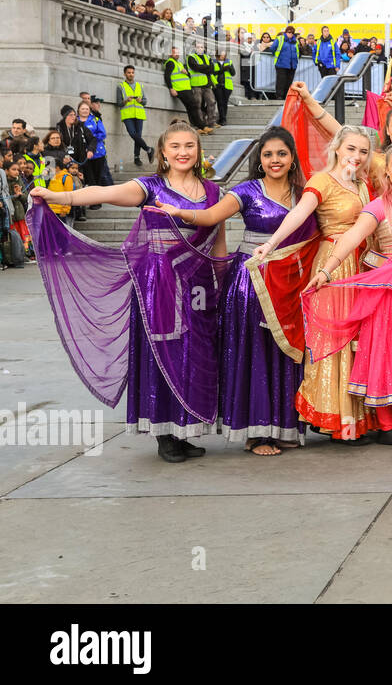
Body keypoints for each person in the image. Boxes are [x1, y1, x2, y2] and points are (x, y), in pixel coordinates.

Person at [29, 121, 228, 462]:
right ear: (163, 152)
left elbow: (219, 244)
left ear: (198, 152)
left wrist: (221, 283)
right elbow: (102, 193)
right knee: (161, 351)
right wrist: (58, 196)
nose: (183, 152)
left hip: (196, 283)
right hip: (158, 283)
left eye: (189, 146)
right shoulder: (149, 187)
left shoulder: (214, 193)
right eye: (175, 146)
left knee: (193, 352)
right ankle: (164, 433)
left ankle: (182, 427)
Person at [156, 127, 311, 455]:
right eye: (267, 154)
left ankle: (283, 426)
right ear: (259, 160)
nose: (274, 160)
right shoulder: (247, 191)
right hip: (251, 283)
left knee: (285, 353)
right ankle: (255, 432)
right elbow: (211, 216)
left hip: (289, 284)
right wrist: (180, 212)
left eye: (281, 153)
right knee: (255, 354)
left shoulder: (304, 194)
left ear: (292, 157)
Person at [302, 142, 392, 447]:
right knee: (389, 355)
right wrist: (327, 270)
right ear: (387, 171)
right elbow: (352, 237)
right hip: (389, 294)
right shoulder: (378, 206)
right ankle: (387, 425)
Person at [248, 126, 379, 443]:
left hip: (358, 265)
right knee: (332, 341)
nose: (357, 156)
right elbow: (299, 212)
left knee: (354, 343)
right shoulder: (322, 180)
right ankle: (333, 417)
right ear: (336, 147)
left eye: (363, 151)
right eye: (351, 149)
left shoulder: (361, 184)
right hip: (330, 266)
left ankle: (353, 418)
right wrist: (272, 243)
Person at [117, 65, 153, 166]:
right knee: (133, 134)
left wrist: (141, 101)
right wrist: (126, 100)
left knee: (138, 136)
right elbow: (119, 103)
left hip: (139, 115)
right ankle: (148, 149)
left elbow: (145, 101)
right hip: (127, 115)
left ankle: (136, 158)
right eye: (129, 73)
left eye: (132, 72)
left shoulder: (140, 86)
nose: (131, 74)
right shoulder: (120, 86)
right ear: (125, 74)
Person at [165, 46, 203, 128]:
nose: (177, 54)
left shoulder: (179, 63)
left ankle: (196, 126)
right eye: (174, 53)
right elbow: (167, 76)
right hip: (180, 89)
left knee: (191, 107)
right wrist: (171, 88)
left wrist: (186, 73)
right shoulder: (170, 63)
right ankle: (201, 126)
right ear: (170, 54)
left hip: (186, 89)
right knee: (193, 105)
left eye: (178, 53)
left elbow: (188, 76)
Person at [76, 101, 109, 188]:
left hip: (97, 153)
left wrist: (90, 140)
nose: (85, 110)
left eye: (87, 109)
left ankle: (97, 201)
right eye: (82, 108)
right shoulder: (75, 121)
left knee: (97, 179)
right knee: (88, 179)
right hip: (82, 155)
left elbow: (102, 134)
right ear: (78, 110)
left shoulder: (95, 119)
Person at [187, 46, 217, 133]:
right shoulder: (191, 57)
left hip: (207, 84)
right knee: (198, 104)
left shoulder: (207, 57)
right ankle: (201, 124)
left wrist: (203, 68)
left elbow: (212, 68)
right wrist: (206, 68)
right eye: (198, 47)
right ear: (195, 48)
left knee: (211, 102)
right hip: (196, 85)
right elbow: (195, 67)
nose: (200, 49)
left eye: (201, 47)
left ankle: (211, 122)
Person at [271, 26, 300, 100]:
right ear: (286, 32)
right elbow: (273, 48)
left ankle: (286, 96)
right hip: (281, 64)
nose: (290, 34)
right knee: (281, 81)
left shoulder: (295, 41)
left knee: (289, 82)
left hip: (292, 65)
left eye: (292, 33)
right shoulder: (280, 39)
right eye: (289, 32)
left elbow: (297, 52)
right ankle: (279, 96)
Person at [211, 50, 235, 126]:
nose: (223, 56)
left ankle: (223, 118)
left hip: (227, 85)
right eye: (221, 55)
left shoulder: (229, 61)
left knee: (224, 102)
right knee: (220, 102)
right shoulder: (213, 62)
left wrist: (230, 68)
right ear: (217, 55)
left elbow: (233, 73)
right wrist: (223, 69)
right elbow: (212, 72)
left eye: (224, 55)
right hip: (217, 85)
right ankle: (222, 119)